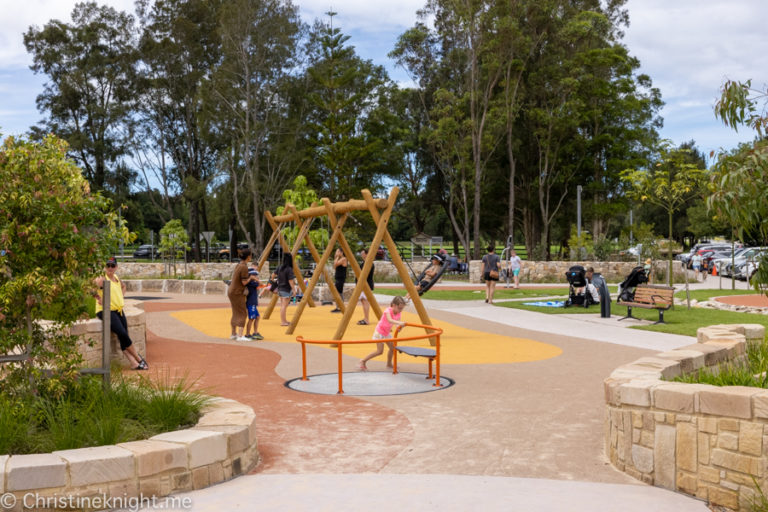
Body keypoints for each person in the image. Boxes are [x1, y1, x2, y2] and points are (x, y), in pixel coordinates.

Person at [94, 258, 149, 370]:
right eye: (108, 265)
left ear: (116, 267)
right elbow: (90, 288)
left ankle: (133, 363)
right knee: (122, 333)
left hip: (118, 310)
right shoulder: (102, 278)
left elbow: (124, 286)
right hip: (106, 310)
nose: (110, 268)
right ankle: (138, 358)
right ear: (105, 267)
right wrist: (98, 297)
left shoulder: (117, 278)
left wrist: (120, 297)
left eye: (112, 266)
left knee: (124, 336)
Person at [358, 296, 407, 371]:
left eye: (402, 309)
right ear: (393, 305)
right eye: (399, 308)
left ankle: (389, 364)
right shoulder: (387, 311)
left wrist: (400, 327)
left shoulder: (398, 313)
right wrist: (400, 323)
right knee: (379, 351)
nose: (400, 310)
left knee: (392, 348)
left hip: (386, 333)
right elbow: (390, 320)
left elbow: (397, 326)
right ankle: (363, 361)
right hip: (379, 332)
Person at [227, 248, 253, 341]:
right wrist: (251, 278)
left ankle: (233, 333)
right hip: (237, 292)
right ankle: (240, 335)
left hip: (231, 291)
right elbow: (244, 282)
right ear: (248, 257)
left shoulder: (238, 265)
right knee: (242, 312)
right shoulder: (244, 267)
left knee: (235, 312)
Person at [277, 252, 297, 327]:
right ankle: (283, 321)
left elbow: (273, 274)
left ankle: (284, 320)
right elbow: (290, 281)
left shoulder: (280, 268)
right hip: (286, 289)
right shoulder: (289, 269)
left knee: (283, 305)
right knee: (284, 306)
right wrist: (294, 290)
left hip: (280, 288)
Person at [356, 248, 375, 325]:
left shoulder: (369, 263)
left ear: (367, 254)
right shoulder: (364, 263)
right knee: (363, 301)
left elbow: (365, 275)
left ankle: (366, 319)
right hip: (362, 285)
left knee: (365, 301)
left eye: (363, 253)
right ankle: (365, 318)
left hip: (366, 285)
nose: (361, 255)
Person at [244, 267, 263, 340]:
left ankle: (255, 332)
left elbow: (260, 284)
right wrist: (253, 279)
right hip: (250, 303)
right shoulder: (251, 283)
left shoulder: (252, 282)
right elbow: (260, 284)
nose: (256, 277)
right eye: (254, 275)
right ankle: (247, 334)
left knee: (257, 317)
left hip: (253, 303)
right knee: (251, 318)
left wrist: (254, 278)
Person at [331, 248, 347, 313]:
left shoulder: (344, 259)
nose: (336, 253)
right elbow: (334, 267)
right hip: (337, 278)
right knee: (337, 293)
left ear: (341, 252)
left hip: (341, 278)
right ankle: (338, 307)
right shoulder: (339, 259)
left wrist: (337, 257)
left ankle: (341, 307)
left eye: (337, 251)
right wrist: (337, 257)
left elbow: (335, 264)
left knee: (339, 293)